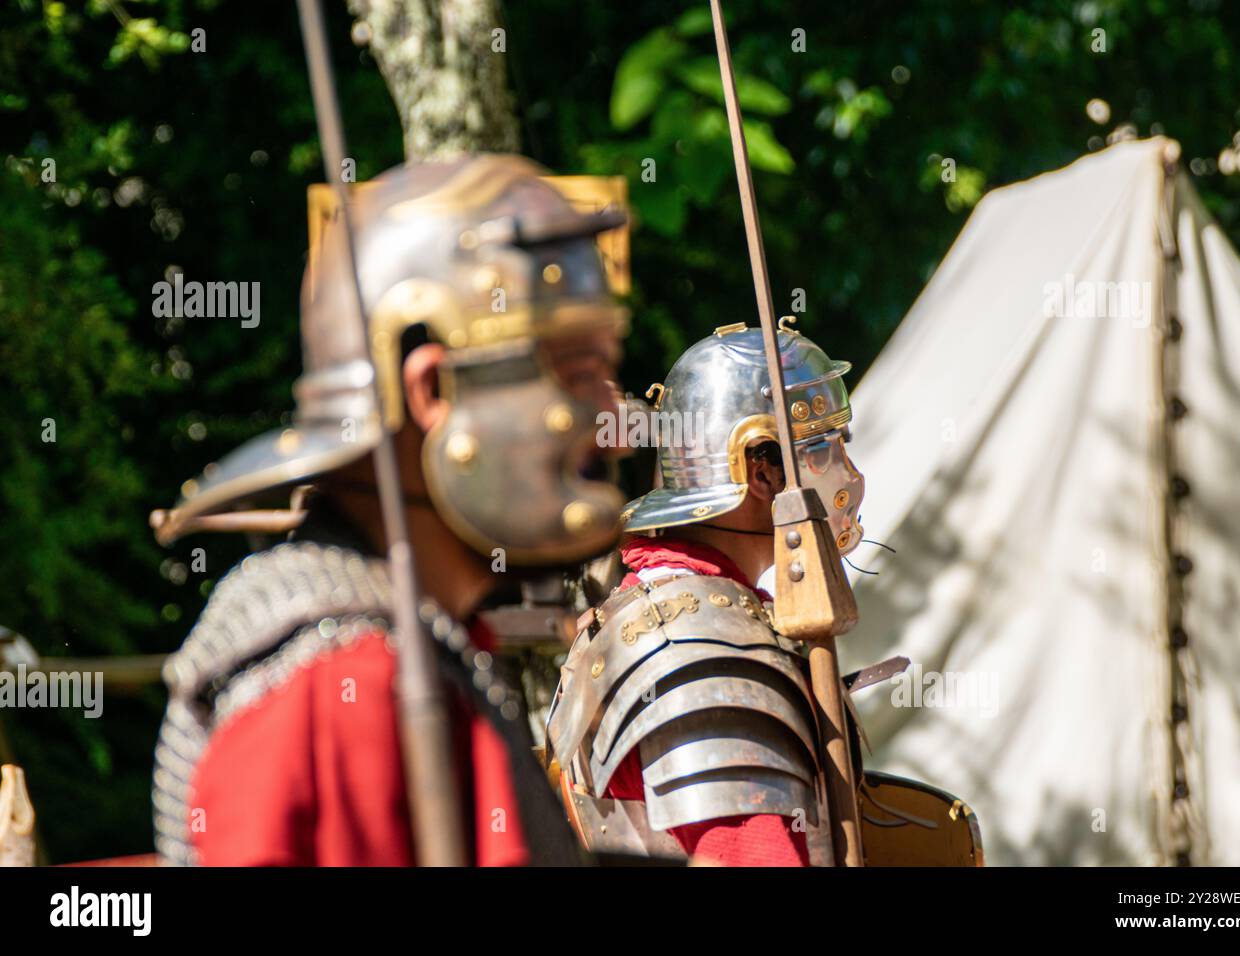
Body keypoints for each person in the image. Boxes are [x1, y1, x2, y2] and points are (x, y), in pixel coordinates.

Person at [151, 154, 628, 866]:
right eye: (578, 373)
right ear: (432, 389)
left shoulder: (414, 639)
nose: (611, 410)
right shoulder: (338, 690)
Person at [546, 322, 866, 866]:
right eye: (827, 449)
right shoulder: (704, 658)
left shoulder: (660, 612)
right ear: (762, 474)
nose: (850, 475)